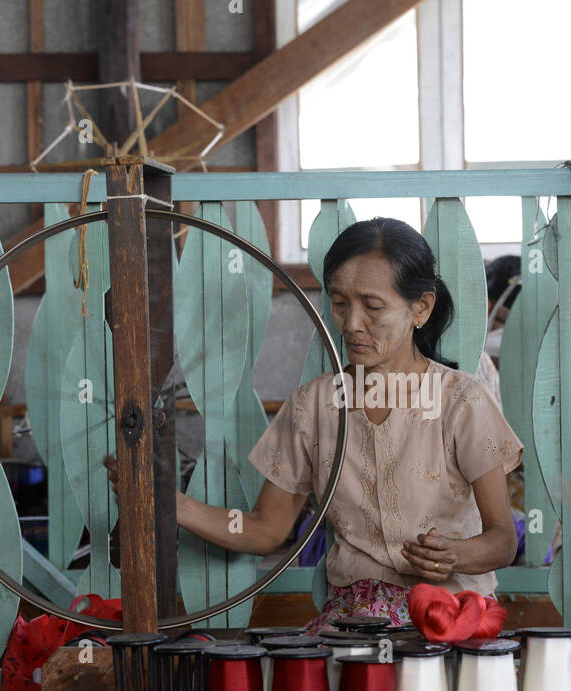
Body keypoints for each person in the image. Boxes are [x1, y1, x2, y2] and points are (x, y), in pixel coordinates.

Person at [156, 217, 524, 632]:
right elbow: (264, 530)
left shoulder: (462, 401)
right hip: (355, 625)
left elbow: (502, 540)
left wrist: (455, 555)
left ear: (421, 307)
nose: (350, 323)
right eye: (340, 302)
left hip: (447, 616)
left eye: (372, 305)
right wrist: (171, 503)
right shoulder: (313, 407)